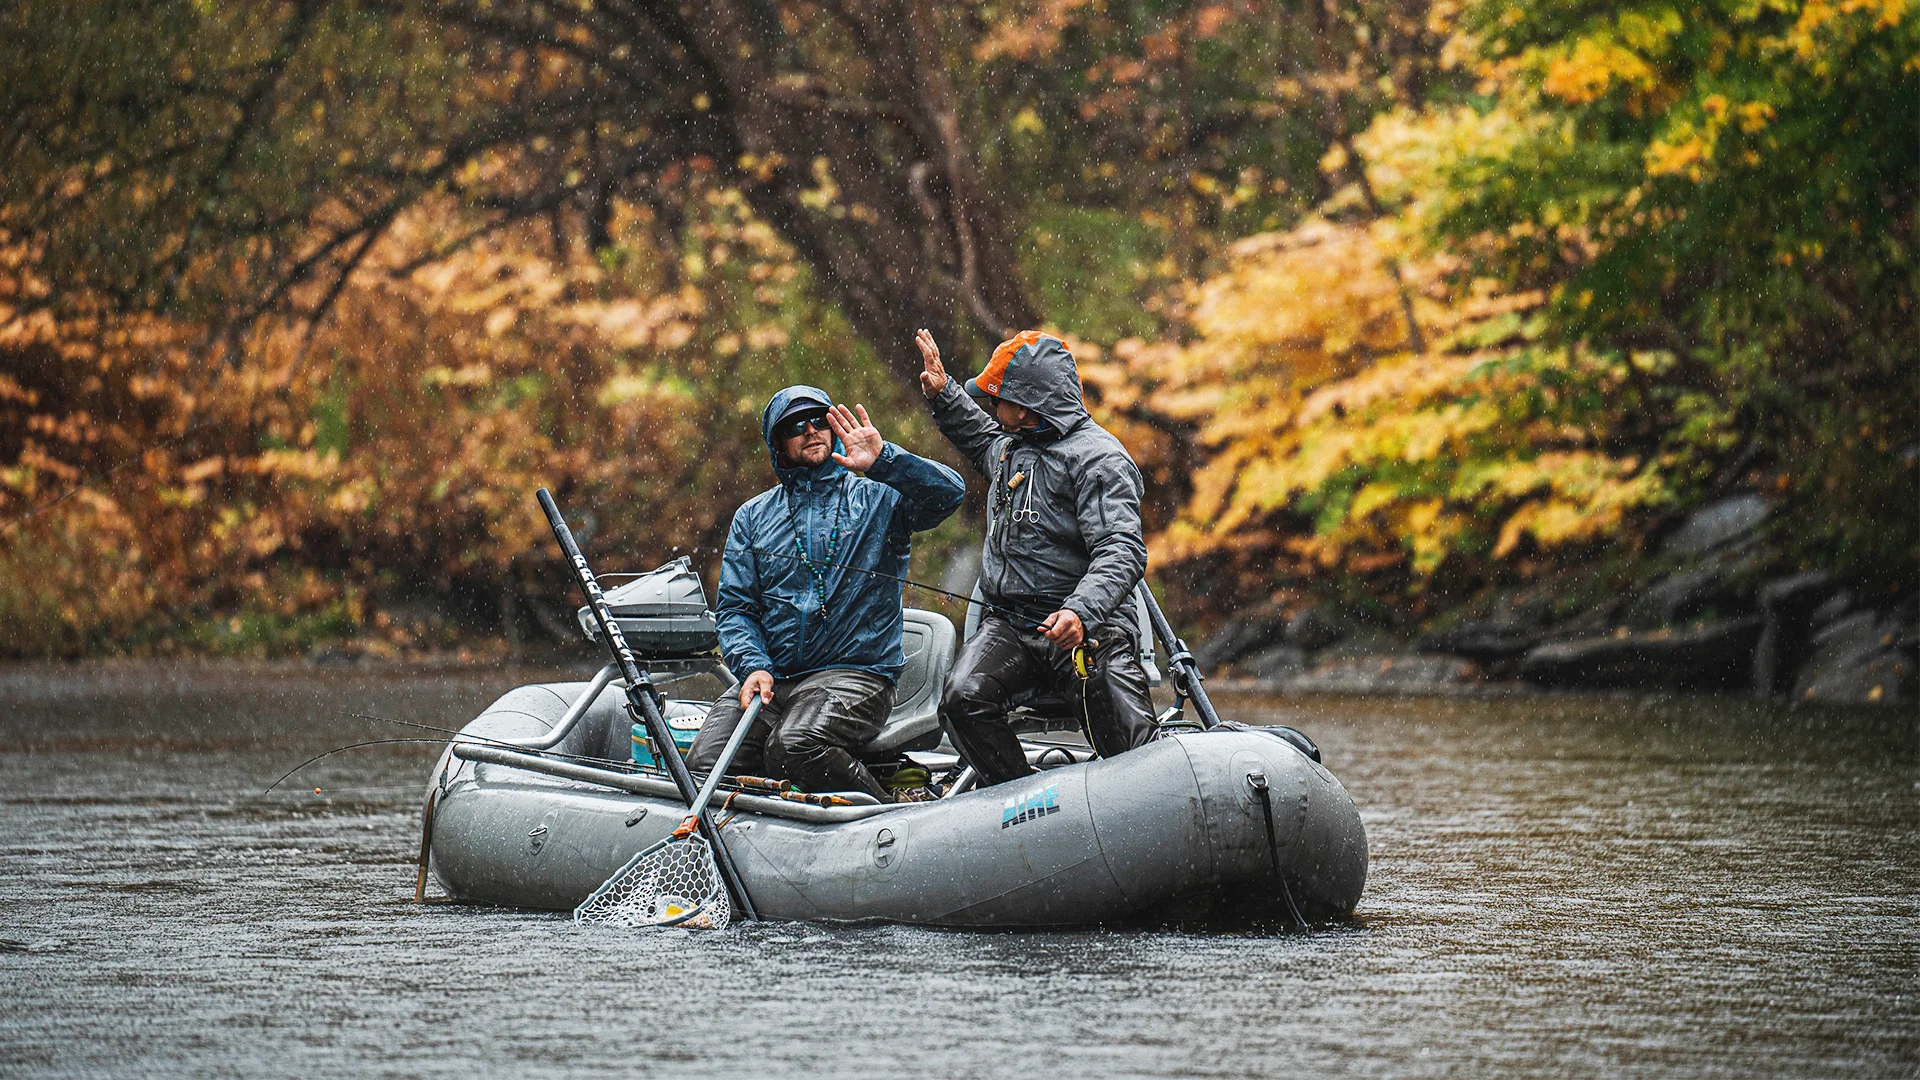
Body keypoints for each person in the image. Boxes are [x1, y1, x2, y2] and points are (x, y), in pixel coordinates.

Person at [685, 384, 965, 802]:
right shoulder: (752, 517)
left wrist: (884, 460)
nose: (810, 430)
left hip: (859, 676)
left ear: (833, 429)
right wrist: (752, 666)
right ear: (778, 444)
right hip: (775, 680)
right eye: (795, 426)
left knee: (792, 745)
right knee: (702, 765)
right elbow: (736, 610)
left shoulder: (880, 497)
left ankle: (888, 815)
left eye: (819, 420)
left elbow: (950, 494)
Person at [914, 328, 1157, 787]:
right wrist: (943, 393)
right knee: (962, 699)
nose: (991, 406)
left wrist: (1079, 612)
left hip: (1091, 628)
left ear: (1024, 406)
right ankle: (1022, 795)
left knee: (1132, 747)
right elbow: (979, 436)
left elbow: (1121, 550)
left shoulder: (1099, 459)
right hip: (1012, 626)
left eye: (996, 399)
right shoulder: (1011, 448)